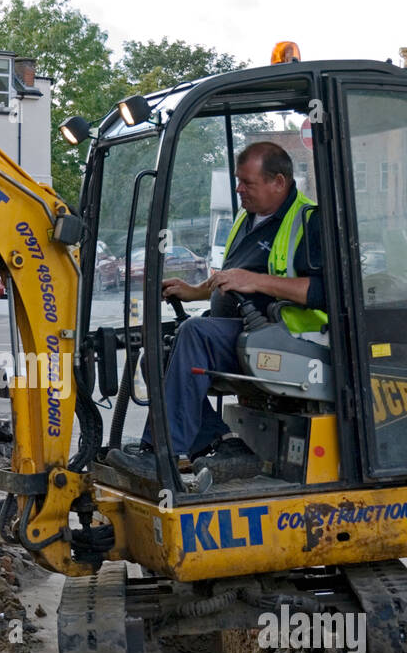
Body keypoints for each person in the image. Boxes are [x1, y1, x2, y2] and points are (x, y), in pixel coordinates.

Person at [106, 141, 326, 482]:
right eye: (238, 181)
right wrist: (194, 291)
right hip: (243, 332)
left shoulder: (310, 222)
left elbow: (322, 292)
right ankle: (221, 444)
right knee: (157, 354)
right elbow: (233, 277)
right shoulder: (246, 219)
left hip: (290, 339)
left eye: (247, 183)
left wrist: (256, 281)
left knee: (195, 333)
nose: (238, 189)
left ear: (278, 182)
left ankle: (161, 453)